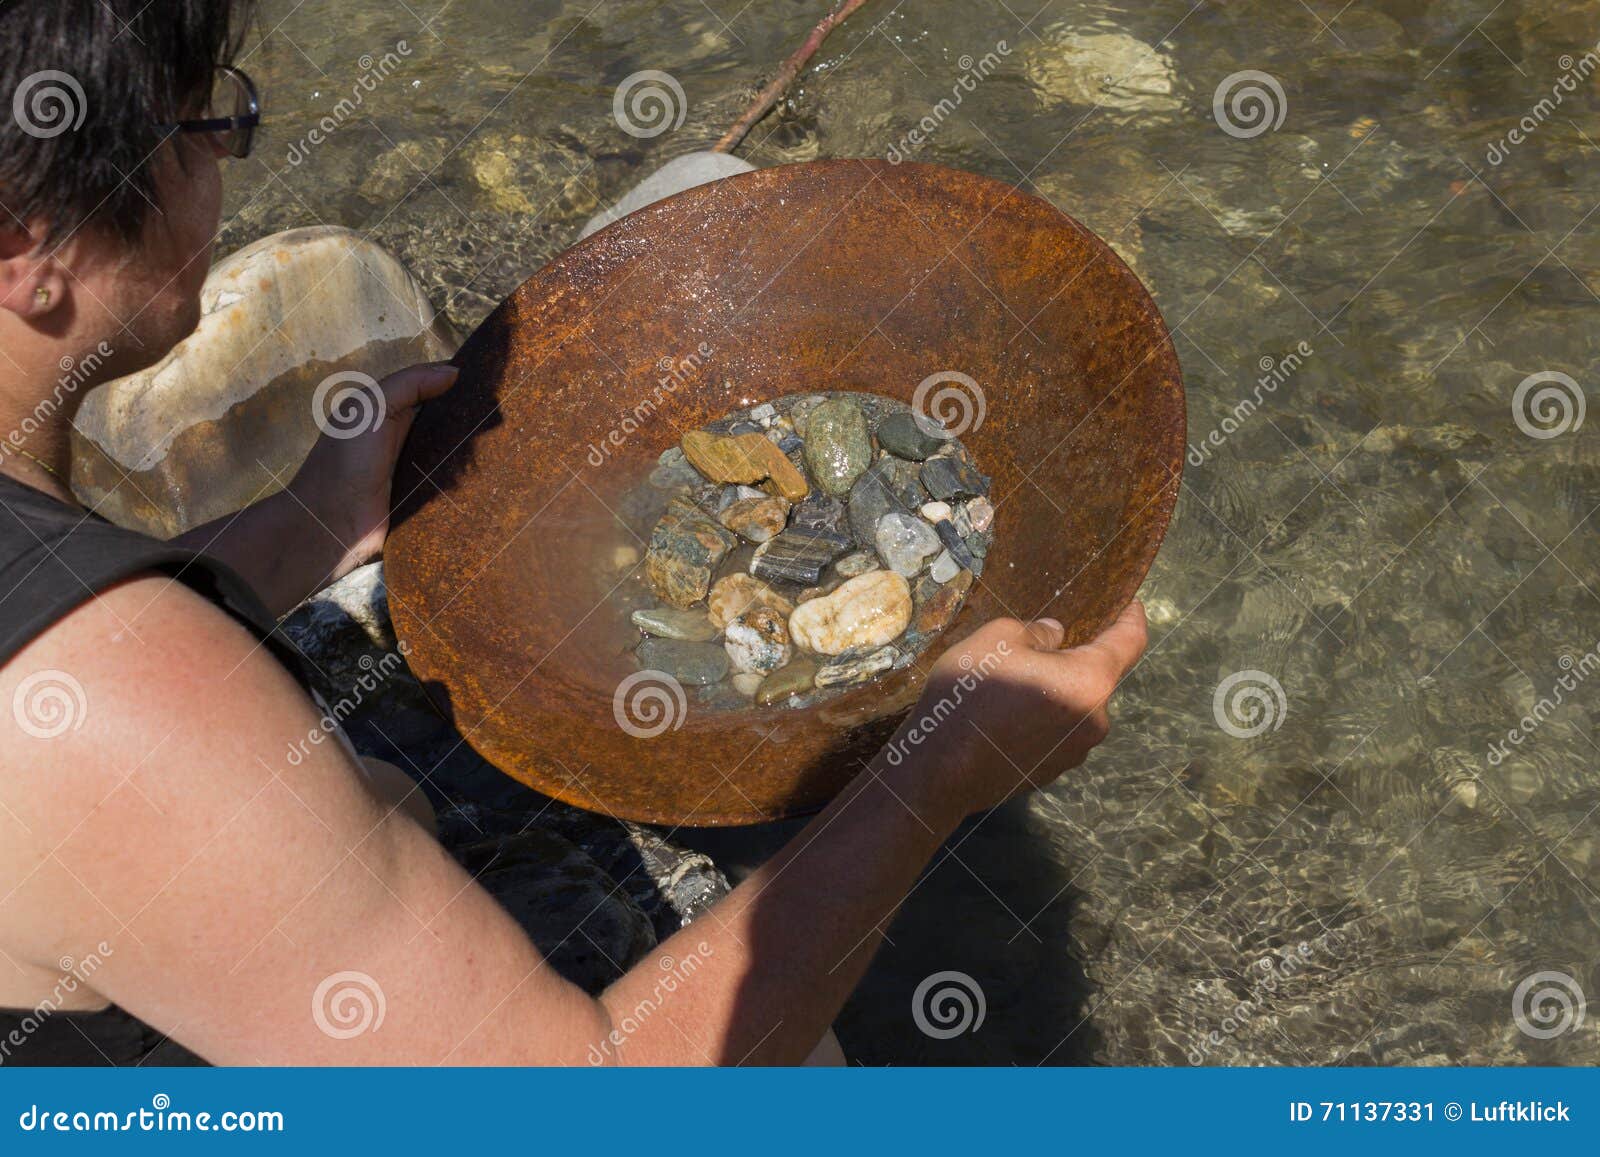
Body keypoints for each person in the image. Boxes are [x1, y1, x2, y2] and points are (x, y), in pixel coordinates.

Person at [0, 0, 1147, 1066]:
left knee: (699, 187)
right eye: (204, 130)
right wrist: (926, 781)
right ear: (29, 248)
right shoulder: (105, 703)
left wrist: (303, 522)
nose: (219, 165)